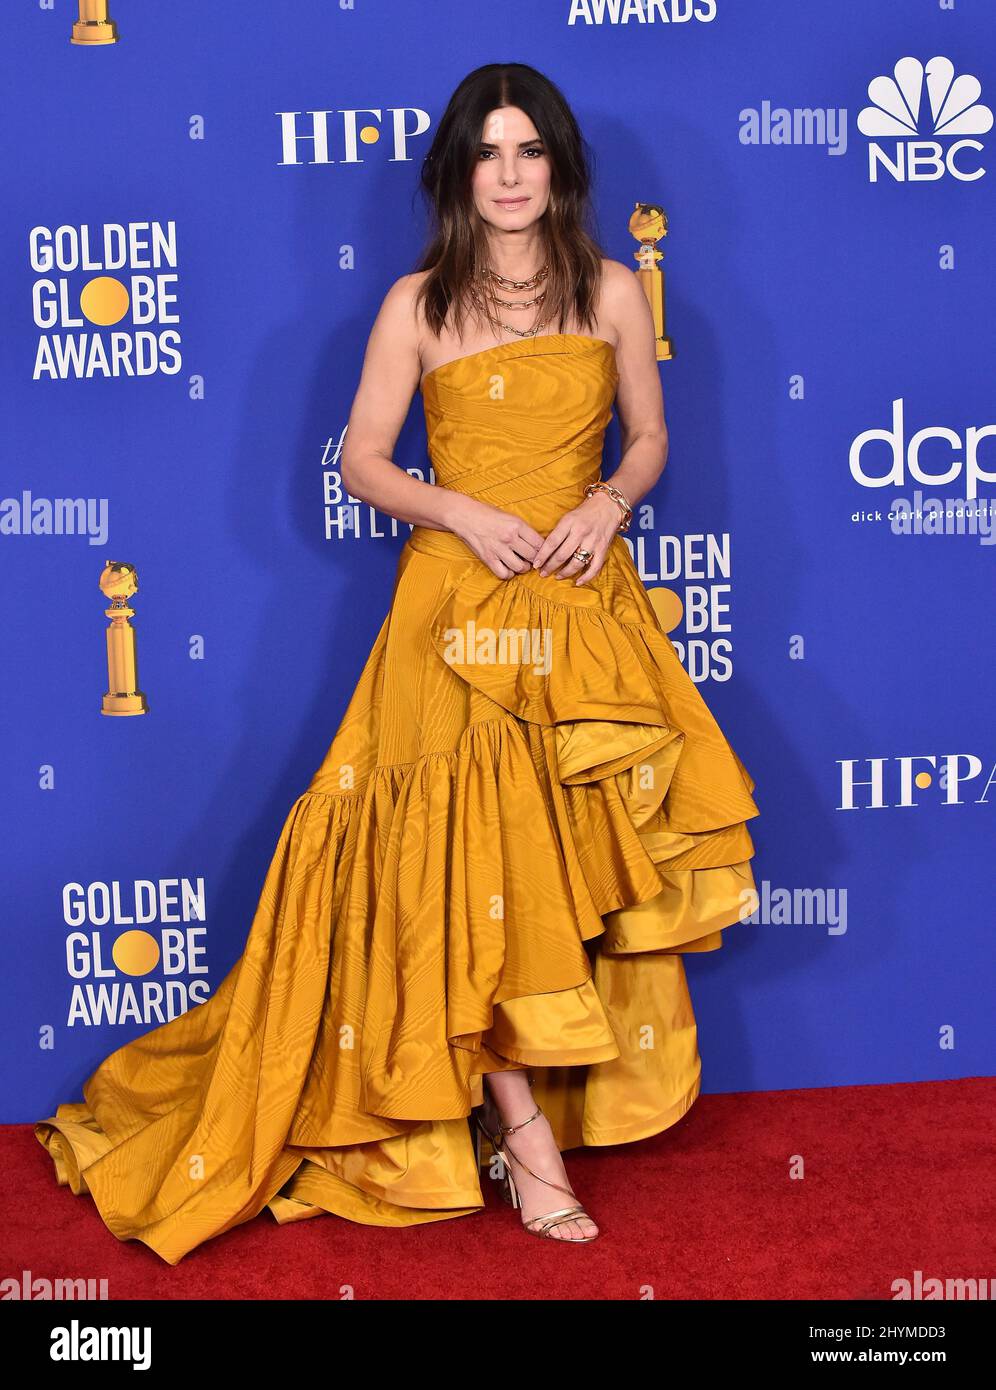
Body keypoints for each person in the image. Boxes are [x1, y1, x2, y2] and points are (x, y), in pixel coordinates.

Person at [34, 62, 760, 1261]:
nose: (513, 174)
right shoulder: (415, 303)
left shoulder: (619, 291)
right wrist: (459, 511)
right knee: (461, 873)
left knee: (551, 868)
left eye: (531, 151)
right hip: (455, 616)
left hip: (578, 607)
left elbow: (652, 434)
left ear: (561, 166)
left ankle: (522, 1108)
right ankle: (526, 1140)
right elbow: (364, 459)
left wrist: (611, 505)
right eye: (491, 153)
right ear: (459, 173)